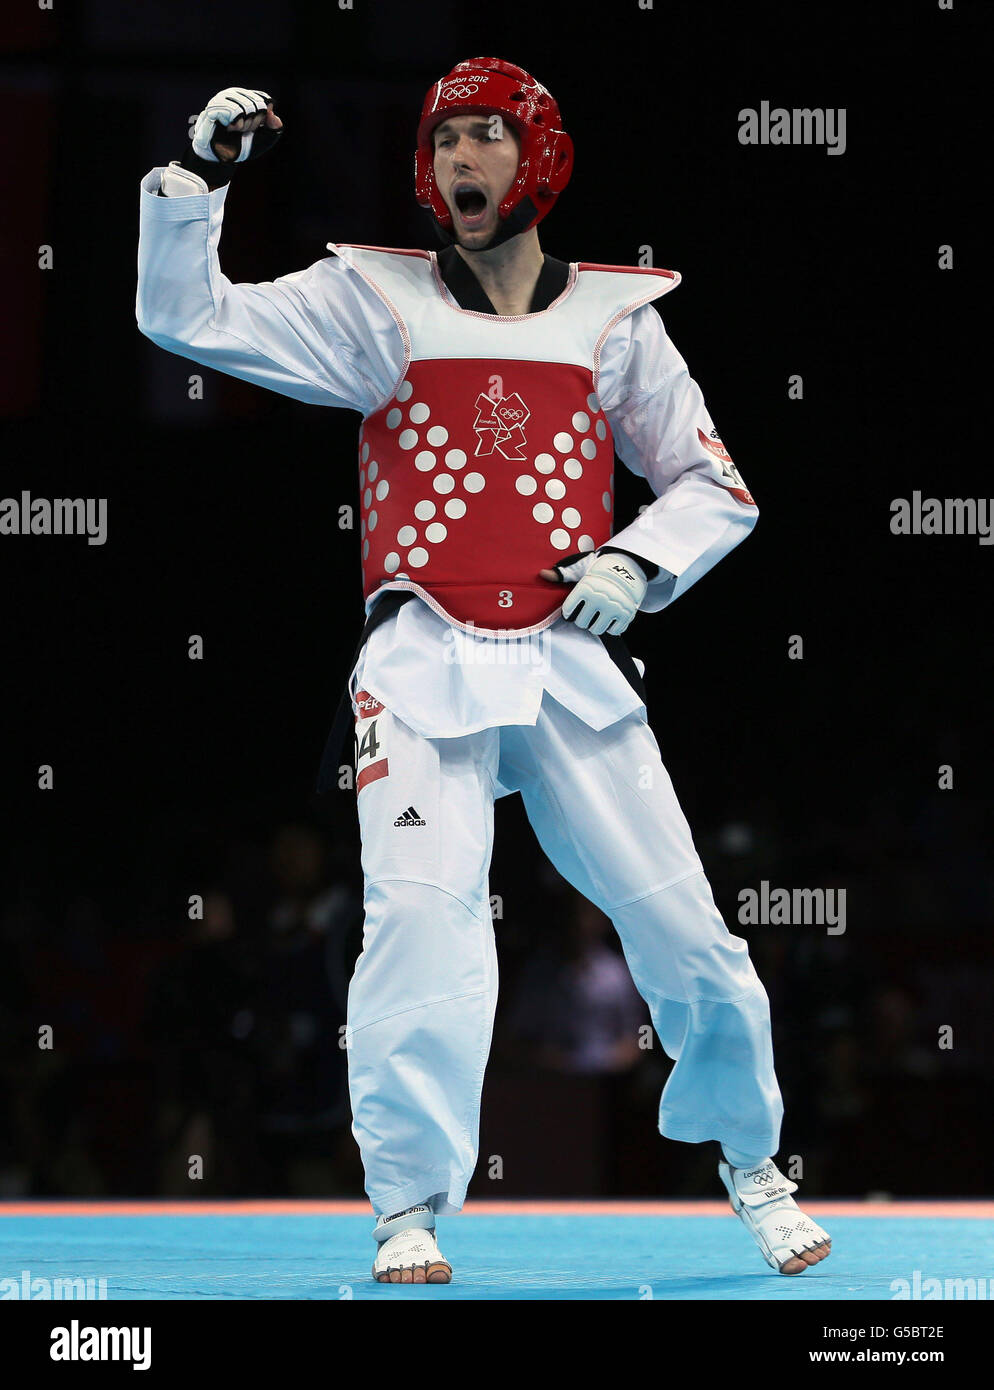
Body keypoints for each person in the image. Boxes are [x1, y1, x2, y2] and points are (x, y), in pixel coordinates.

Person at [136, 58, 831, 1284]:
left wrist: (636, 559)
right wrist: (197, 180)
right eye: (446, 139)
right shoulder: (373, 302)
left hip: (567, 661)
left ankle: (753, 1163)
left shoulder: (614, 321)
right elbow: (185, 321)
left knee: (684, 928)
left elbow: (714, 482)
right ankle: (406, 1203)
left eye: (487, 139)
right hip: (419, 662)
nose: (463, 161)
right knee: (421, 923)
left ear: (538, 160)